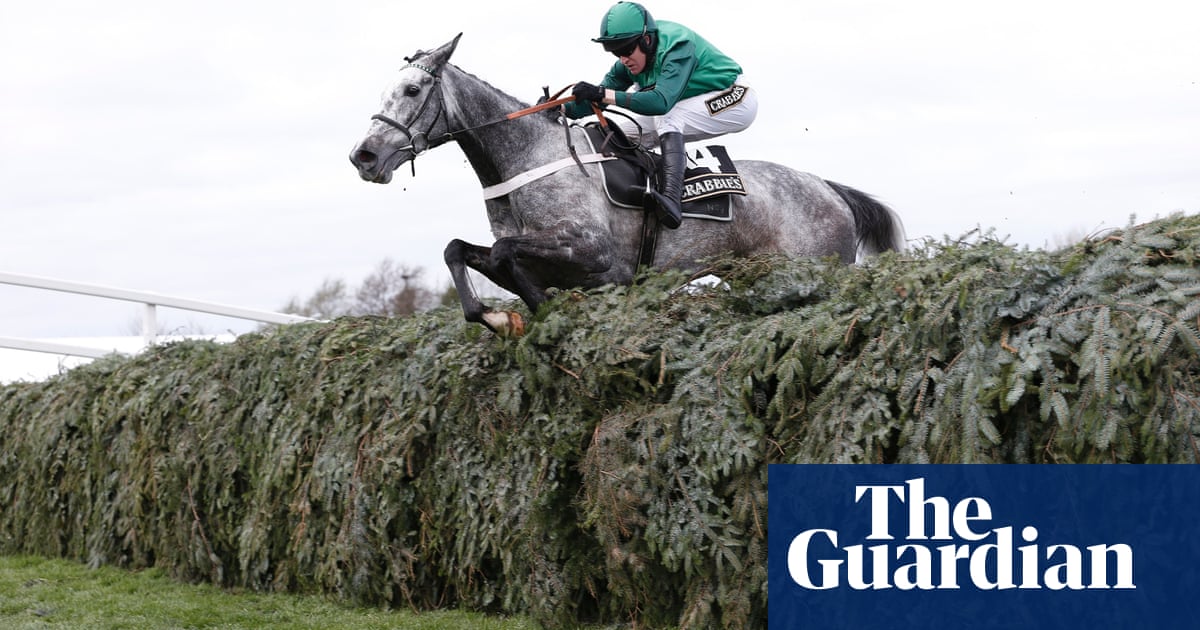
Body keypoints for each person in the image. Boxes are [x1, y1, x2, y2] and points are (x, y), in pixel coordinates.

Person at [564, 1, 758, 229]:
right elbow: (598, 101)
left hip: (735, 97)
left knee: (668, 117)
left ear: (646, 40)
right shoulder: (628, 62)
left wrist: (602, 93)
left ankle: (671, 200)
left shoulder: (677, 47)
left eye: (626, 50)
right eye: (616, 52)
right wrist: (561, 109)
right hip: (684, 102)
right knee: (620, 128)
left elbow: (660, 103)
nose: (623, 59)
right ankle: (642, 186)